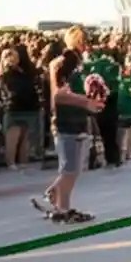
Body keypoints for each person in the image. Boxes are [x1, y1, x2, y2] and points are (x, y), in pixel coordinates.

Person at [35, 26, 102, 223]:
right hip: (66, 119)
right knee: (70, 169)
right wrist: (86, 102)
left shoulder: (73, 61)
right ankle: (61, 208)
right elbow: (59, 94)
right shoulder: (66, 61)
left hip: (74, 118)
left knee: (73, 169)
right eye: (86, 41)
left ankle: (57, 199)